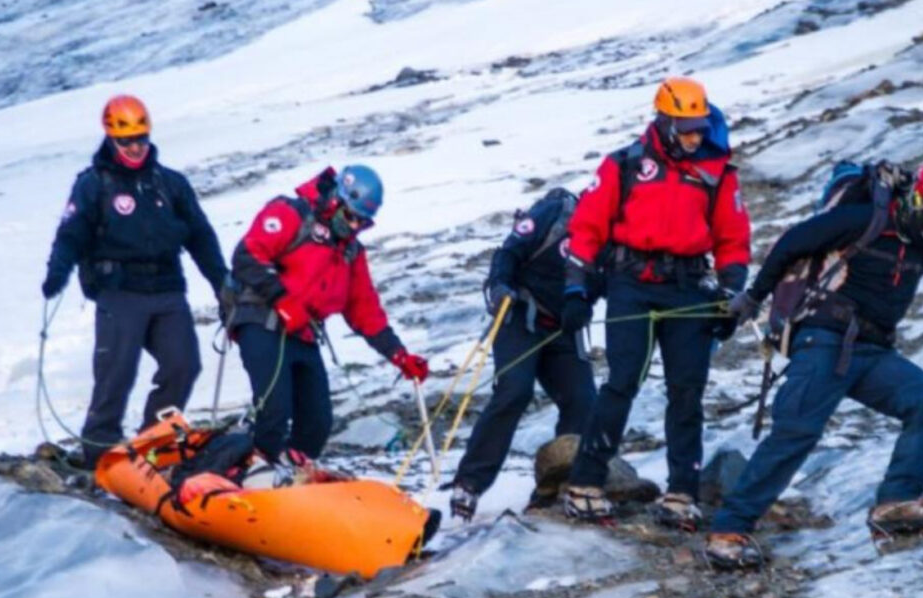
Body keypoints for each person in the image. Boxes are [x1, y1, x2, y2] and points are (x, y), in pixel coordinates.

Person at [705, 158, 923, 569]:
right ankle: (728, 529)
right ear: (917, 197)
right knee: (796, 433)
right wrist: (753, 297)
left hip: (872, 350)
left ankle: (897, 502)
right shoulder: (861, 219)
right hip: (824, 339)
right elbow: (792, 243)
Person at [560, 77, 752, 530]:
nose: (694, 136)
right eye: (685, 128)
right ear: (663, 121)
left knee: (687, 391)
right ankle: (586, 480)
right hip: (631, 284)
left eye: (699, 127)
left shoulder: (717, 172)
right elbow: (586, 227)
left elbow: (733, 239)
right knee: (622, 382)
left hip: (689, 290)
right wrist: (575, 288)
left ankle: (682, 490)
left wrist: (731, 292)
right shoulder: (623, 164)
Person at [41, 95, 228, 468]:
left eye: (141, 138)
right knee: (116, 375)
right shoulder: (94, 184)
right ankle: (98, 454)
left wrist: (221, 282)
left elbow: (200, 236)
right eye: (126, 141)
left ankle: (151, 442)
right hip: (119, 293)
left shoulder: (170, 183)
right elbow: (71, 233)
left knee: (183, 365)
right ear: (111, 138)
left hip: (167, 290)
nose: (135, 147)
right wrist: (57, 272)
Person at [226, 164, 429, 484]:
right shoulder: (290, 214)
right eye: (351, 217)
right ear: (336, 200)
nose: (355, 226)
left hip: (302, 332)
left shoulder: (350, 252)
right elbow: (247, 256)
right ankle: (250, 473)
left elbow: (365, 310)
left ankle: (288, 479)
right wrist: (282, 299)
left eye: (363, 222)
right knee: (274, 410)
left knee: (318, 421)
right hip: (262, 321)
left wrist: (399, 355)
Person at [446, 189, 600, 520]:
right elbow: (508, 253)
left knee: (583, 401)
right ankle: (469, 484)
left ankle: (554, 489)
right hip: (520, 315)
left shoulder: (614, 239)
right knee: (514, 390)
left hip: (564, 329)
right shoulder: (556, 211)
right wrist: (500, 286)